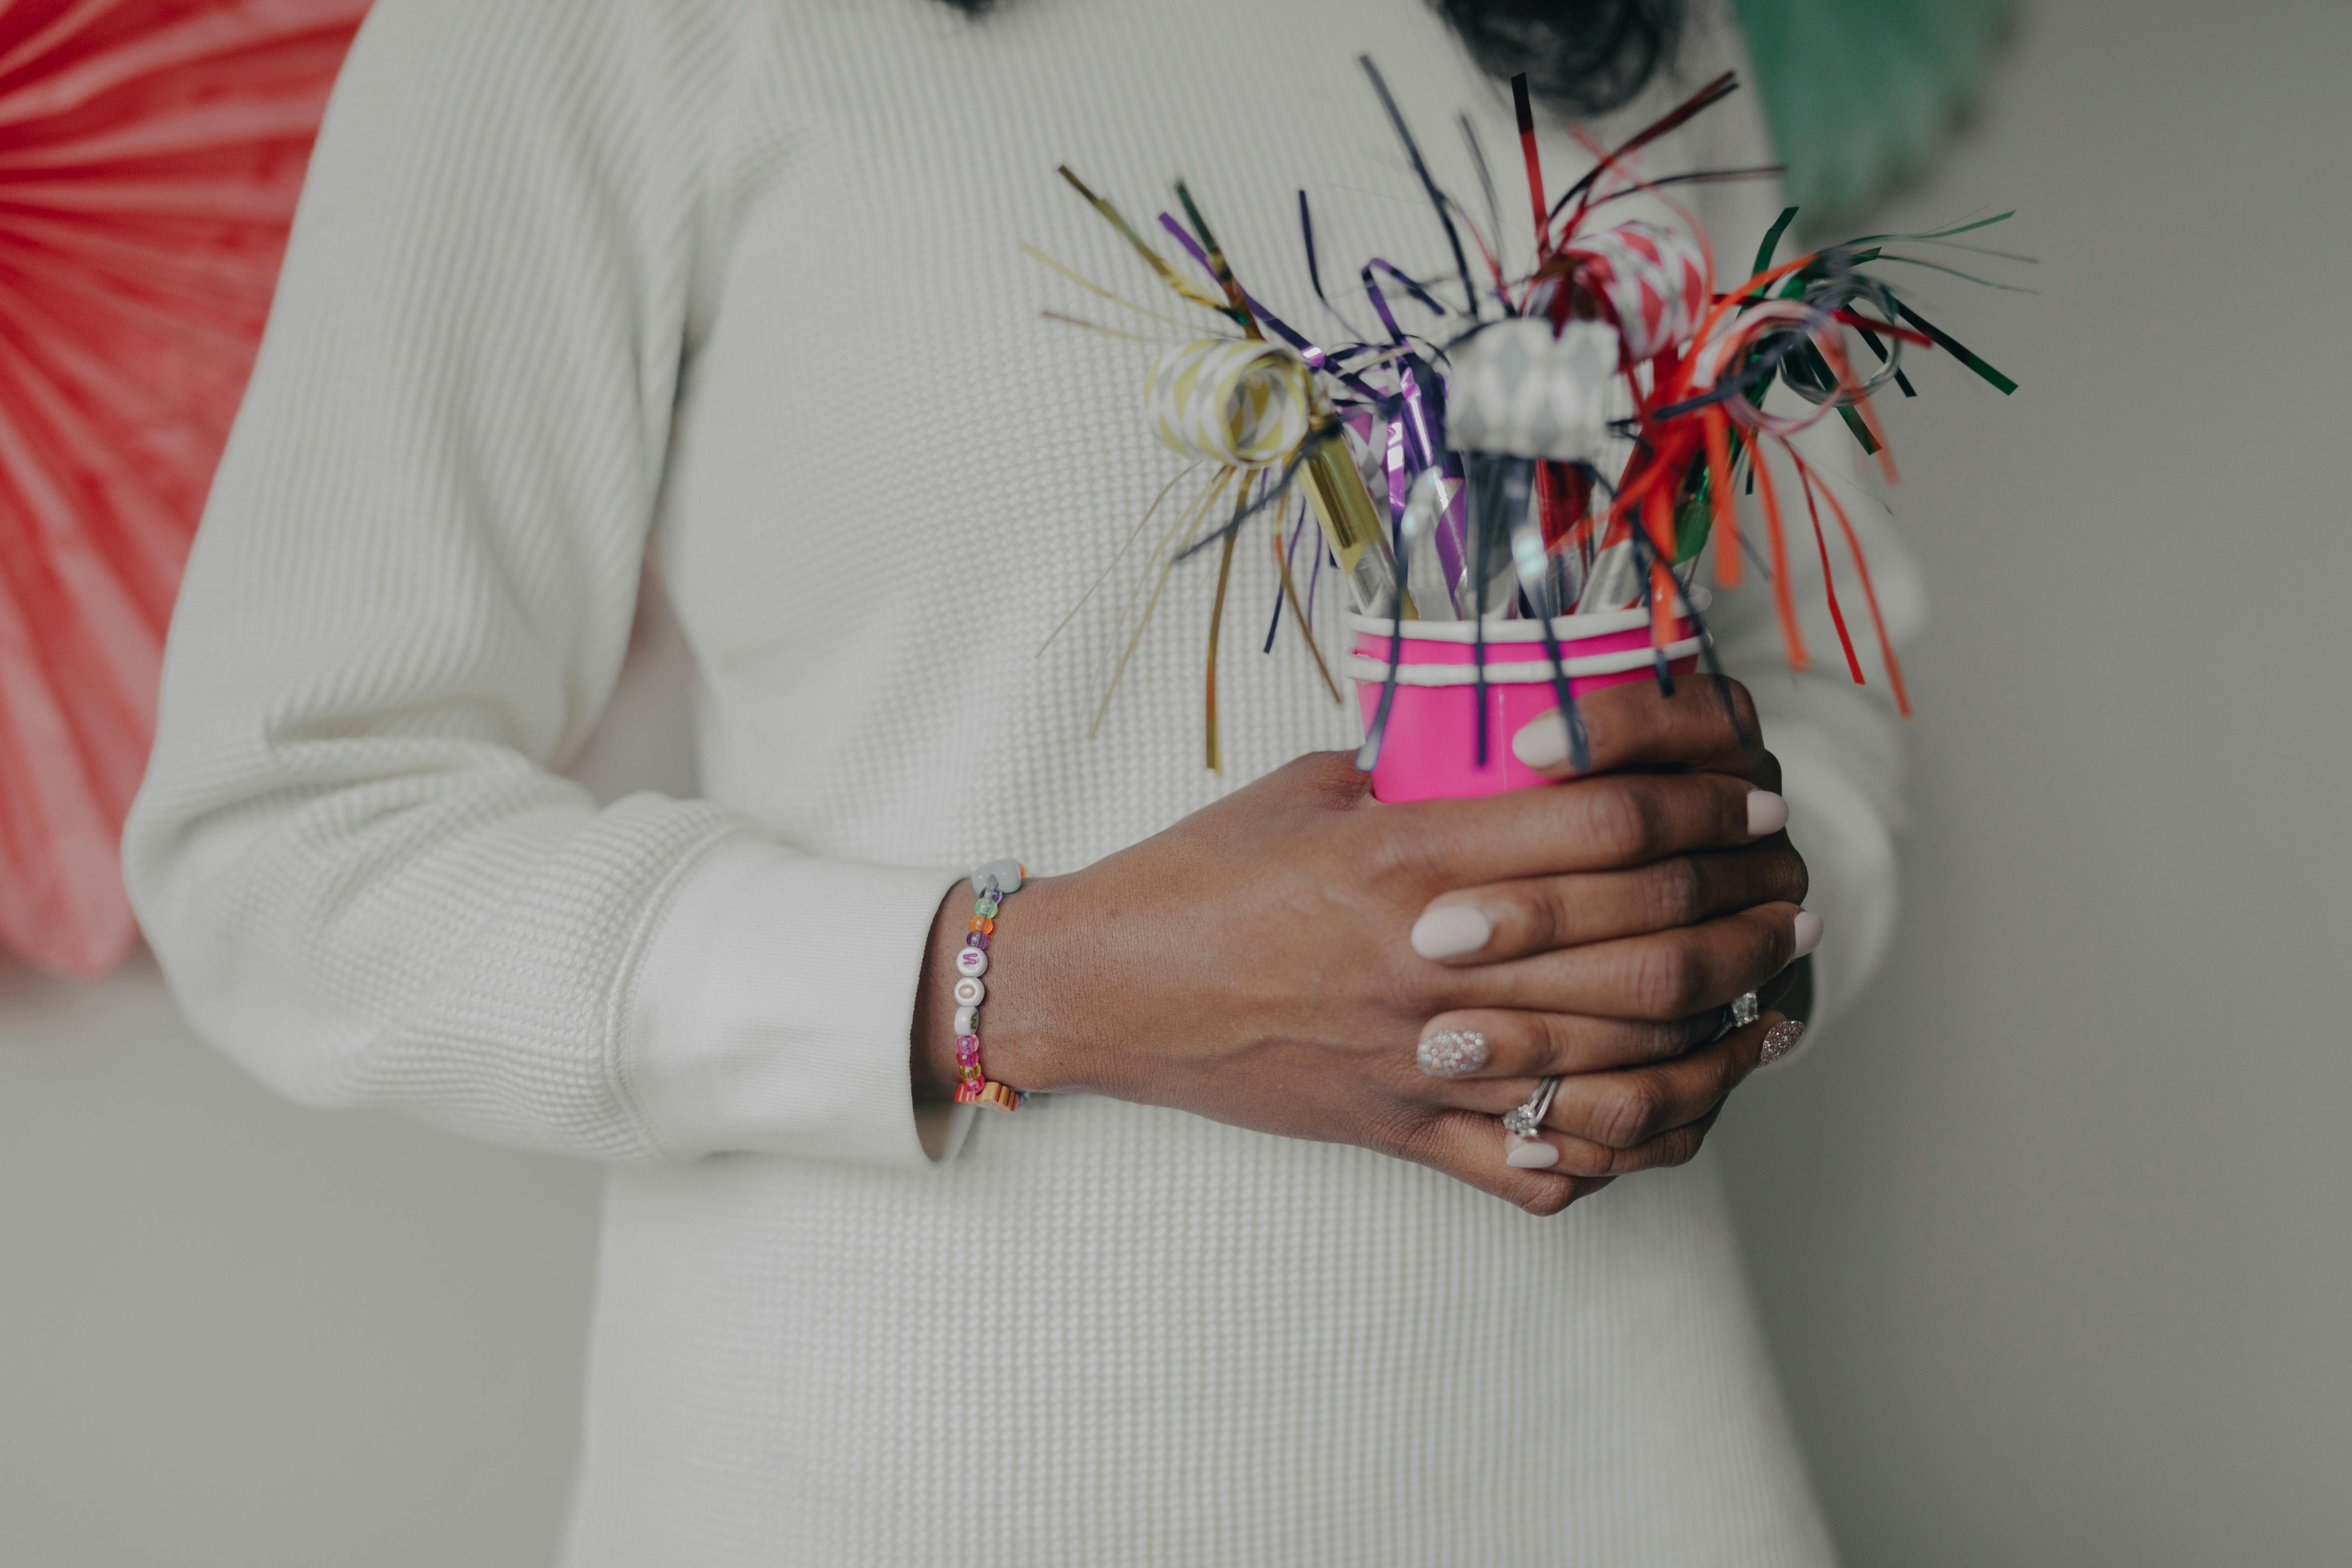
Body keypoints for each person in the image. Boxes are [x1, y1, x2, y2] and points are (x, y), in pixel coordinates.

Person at [125, 0, 1916, 1561]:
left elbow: (1817, 665)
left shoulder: (1633, 25)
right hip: (893, 1497)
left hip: (1620, 1487)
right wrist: (1028, 984)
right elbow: (287, 830)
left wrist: (1720, 947)